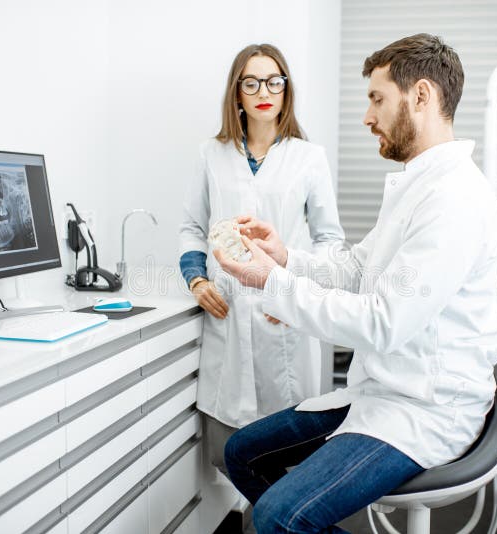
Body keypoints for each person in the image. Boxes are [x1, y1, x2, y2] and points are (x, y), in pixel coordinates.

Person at [215, 34, 497, 532]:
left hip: (425, 410)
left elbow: (383, 323)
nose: (367, 117)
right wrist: (286, 259)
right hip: (382, 393)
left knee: (277, 518)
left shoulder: (454, 200)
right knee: (240, 453)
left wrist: (272, 285)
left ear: (421, 96)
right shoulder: (417, 186)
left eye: (377, 99)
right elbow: (354, 270)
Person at [178, 43, 344, 476]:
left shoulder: (309, 158)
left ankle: (268, 521)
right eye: (250, 82)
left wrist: (300, 295)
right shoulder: (210, 154)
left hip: (284, 313)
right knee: (224, 453)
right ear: (237, 93)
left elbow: (330, 241)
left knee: (287, 454)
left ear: (286, 90)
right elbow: (192, 228)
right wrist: (197, 280)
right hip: (227, 314)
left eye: (274, 81)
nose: (263, 91)